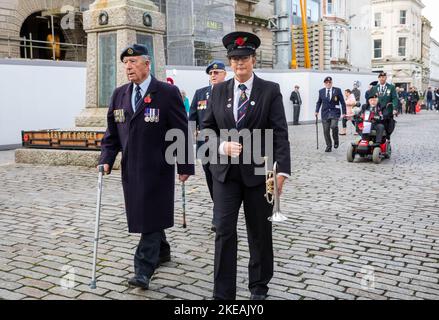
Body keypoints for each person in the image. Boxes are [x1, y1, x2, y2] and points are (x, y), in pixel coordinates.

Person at [202, 31, 291, 300]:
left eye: (244, 58)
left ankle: (259, 287)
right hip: (226, 175)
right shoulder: (217, 91)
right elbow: (206, 128)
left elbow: (280, 133)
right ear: (229, 62)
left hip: (258, 174)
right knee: (223, 231)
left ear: (254, 59)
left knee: (259, 233)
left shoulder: (270, 90)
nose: (239, 64)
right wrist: (220, 146)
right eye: (234, 59)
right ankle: (223, 293)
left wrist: (282, 171)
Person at [98, 44, 195, 289]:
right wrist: (106, 159)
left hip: (158, 168)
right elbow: (112, 133)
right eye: (125, 63)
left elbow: (180, 131)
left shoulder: (166, 92)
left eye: (133, 62)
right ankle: (162, 250)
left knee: (150, 214)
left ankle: (143, 270)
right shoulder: (119, 94)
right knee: (146, 213)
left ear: (147, 64)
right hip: (131, 168)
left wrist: (184, 164)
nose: (128, 67)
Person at [189, 61, 227, 201]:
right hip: (204, 145)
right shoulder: (200, 93)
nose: (213, 75)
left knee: (223, 179)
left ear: (224, 74)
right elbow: (192, 118)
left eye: (217, 72)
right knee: (210, 178)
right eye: (211, 73)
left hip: (224, 144)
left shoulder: (231, 91)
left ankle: (222, 209)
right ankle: (217, 207)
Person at [315, 76, 347, 152]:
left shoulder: (337, 90)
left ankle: (336, 140)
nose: (328, 84)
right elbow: (319, 102)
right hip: (325, 113)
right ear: (324, 83)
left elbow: (342, 102)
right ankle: (329, 146)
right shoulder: (321, 91)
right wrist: (316, 111)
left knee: (333, 126)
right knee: (326, 131)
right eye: (327, 83)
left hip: (335, 112)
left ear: (331, 83)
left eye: (330, 82)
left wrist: (344, 112)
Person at [369, 72, 398, 140]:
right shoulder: (375, 88)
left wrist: (394, 108)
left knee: (388, 124)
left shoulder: (391, 87)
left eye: (383, 77)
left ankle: (387, 138)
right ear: (379, 78)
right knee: (376, 123)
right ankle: (376, 138)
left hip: (387, 110)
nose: (382, 78)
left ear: (386, 78)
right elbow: (370, 98)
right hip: (377, 110)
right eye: (381, 77)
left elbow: (394, 98)